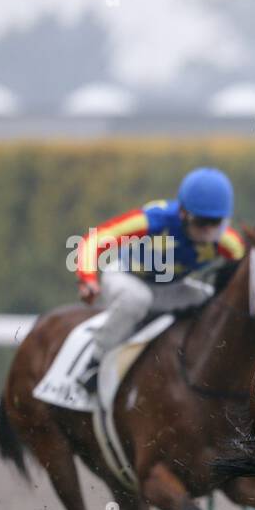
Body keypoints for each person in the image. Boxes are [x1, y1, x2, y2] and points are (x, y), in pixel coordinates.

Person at [74, 167, 244, 391]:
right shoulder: (155, 220)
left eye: (216, 223)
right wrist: (88, 278)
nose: (209, 233)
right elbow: (93, 240)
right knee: (137, 299)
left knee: (213, 304)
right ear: (183, 213)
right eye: (202, 223)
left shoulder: (229, 243)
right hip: (126, 276)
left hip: (171, 287)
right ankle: (94, 362)